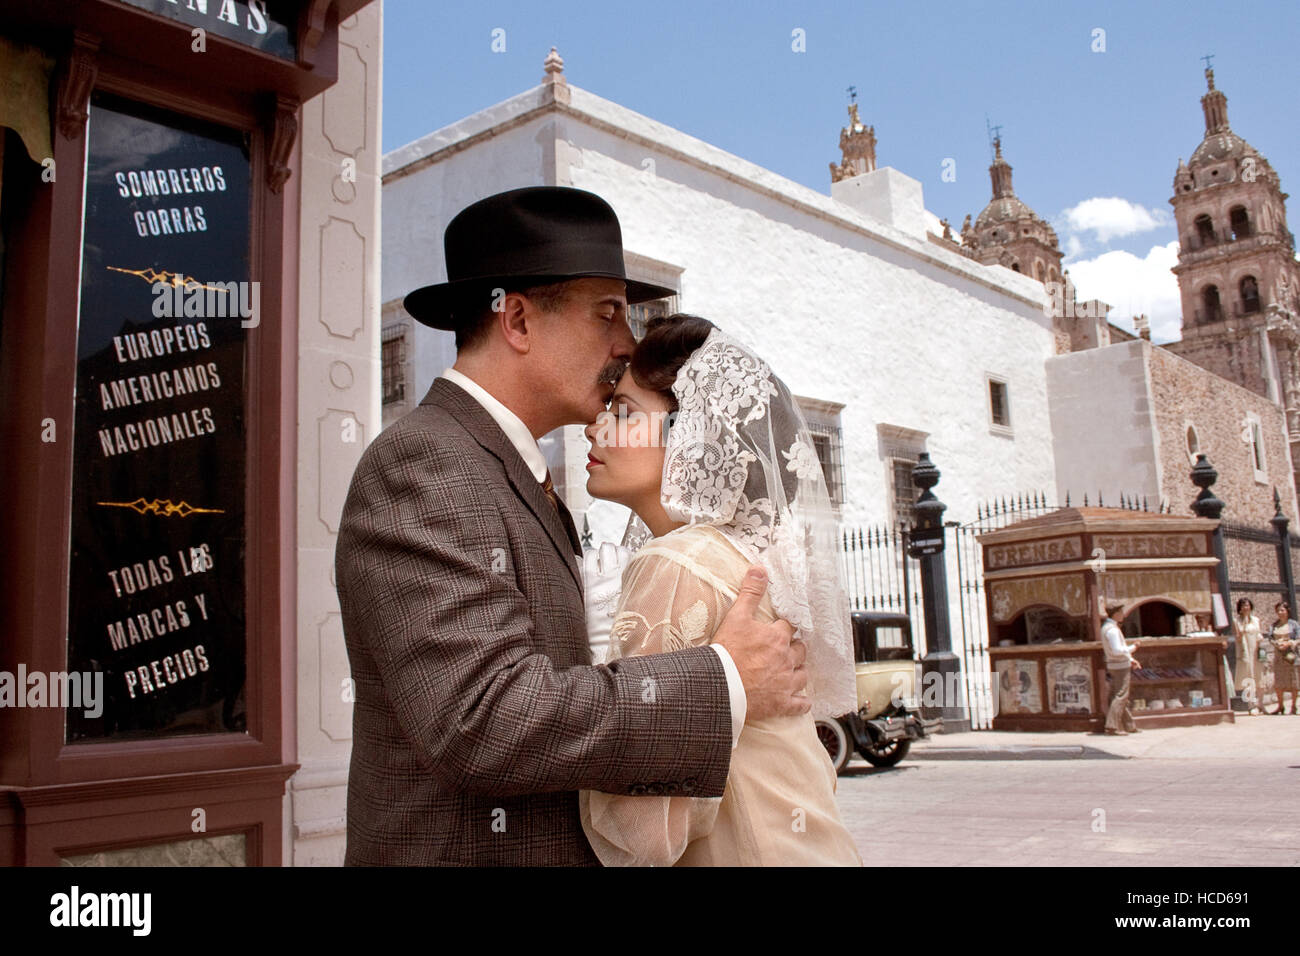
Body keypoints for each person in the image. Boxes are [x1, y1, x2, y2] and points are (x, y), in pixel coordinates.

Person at [335, 187, 809, 866]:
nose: (627, 343)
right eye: (608, 313)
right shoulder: (426, 462)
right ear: (519, 320)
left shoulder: (511, 471)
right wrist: (726, 680)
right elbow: (485, 718)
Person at [578, 314, 862, 865]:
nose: (596, 428)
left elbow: (640, 823)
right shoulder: (740, 558)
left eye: (623, 413)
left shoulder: (677, 560)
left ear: (694, 437)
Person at [1099, 599, 1141, 735]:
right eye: (1120, 611)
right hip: (1119, 666)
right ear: (1115, 613)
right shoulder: (1112, 630)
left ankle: (1129, 725)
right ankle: (1112, 726)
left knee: (1119, 695)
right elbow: (1117, 650)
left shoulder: (1109, 627)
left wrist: (1131, 659)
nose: (1123, 614)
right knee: (1121, 696)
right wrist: (1133, 648)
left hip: (1116, 664)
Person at [1232, 597, 1264, 715]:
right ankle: (1251, 705)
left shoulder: (1256, 620)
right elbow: (1238, 638)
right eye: (1243, 606)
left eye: (1247, 605)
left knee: (1259, 678)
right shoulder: (1237, 621)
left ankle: (1260, 704)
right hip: (1245, 652)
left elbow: (1259, 634)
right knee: (1248, 679)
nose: (1246, 608)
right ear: (1239, 609)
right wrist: (1244, 624)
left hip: (1256, 651)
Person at [1267, 601, 1299, 715]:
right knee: (1279, 681)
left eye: (1282, 610)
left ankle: (1294, 707)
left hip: (1291, 655)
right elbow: (1270, 638)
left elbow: (1299, 638)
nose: (1280, 613)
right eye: (1278, 611)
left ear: (1287, 611)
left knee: (1294, 681)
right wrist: (1276, 644)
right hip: (1279, 656)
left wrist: (1290, 643)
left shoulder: (1294, 624)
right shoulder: (1274, 625)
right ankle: (1280, 706)